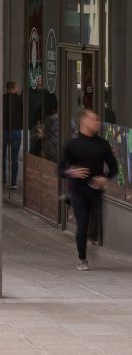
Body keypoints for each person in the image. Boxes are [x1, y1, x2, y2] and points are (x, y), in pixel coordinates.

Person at [59, 108, 119, 271]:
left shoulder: (102, 144)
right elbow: (60, 170)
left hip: (96, 193)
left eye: (98, 120)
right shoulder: (72, 144)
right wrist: (70, 172)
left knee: (96, 228)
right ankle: (82, 258)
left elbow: (114, 168)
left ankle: (92, 239)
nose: (97, 123)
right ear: (84, 121)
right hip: (78, 191)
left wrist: (104, 178)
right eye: (94, 120)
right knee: (83, 224)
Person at [3, 80, 25, 191]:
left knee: (2, 156)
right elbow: (24, 114)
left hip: (4, 130)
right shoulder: (20, 100)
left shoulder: (2, 99)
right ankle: (14, 183)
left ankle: (3, 180)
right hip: (16, 131)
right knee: (14, 158)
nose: (18, 88)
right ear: (13, 88)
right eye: (17, 87)